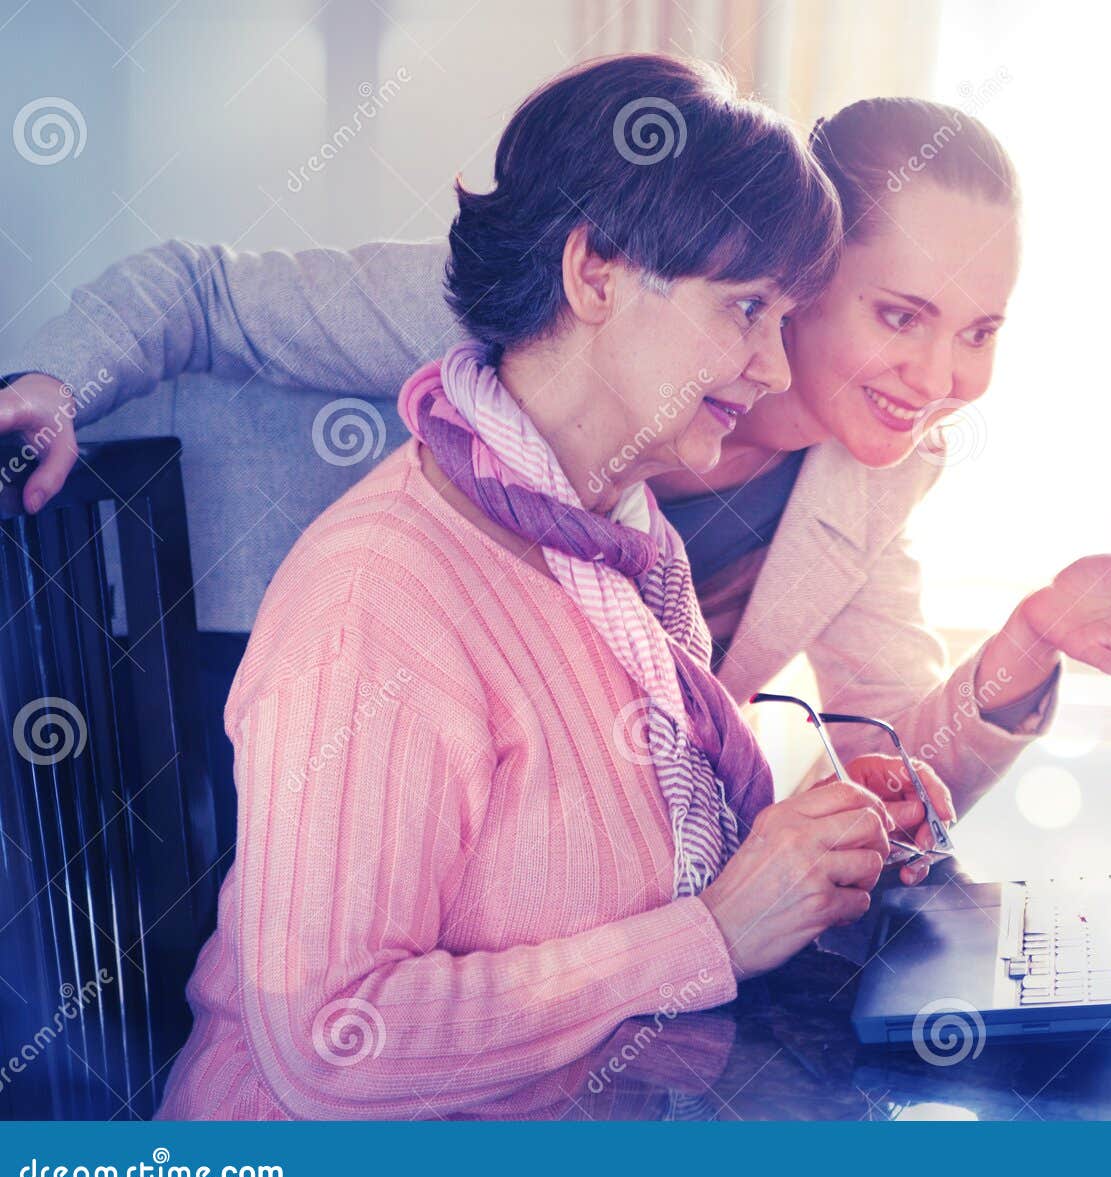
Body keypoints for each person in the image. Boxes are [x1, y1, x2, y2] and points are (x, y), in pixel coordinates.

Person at [2, 77, 1111, 819]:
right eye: (899, 315)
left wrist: (1028, 643)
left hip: (484, 806)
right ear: (798, 265)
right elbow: (206, 292)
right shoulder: (541, 311)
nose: (938, 379)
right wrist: (53, 384)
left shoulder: (873, 465)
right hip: (198, 632)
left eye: (978, 332)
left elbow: (881, 752)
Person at [149, 53, 952, 1121]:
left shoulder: (621, 544)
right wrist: (710, 933)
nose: (772, 365)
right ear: (595, 275)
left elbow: (632, 883)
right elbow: (332, 1044)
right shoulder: (378, 597)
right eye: (747, 308)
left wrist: (803, 861)